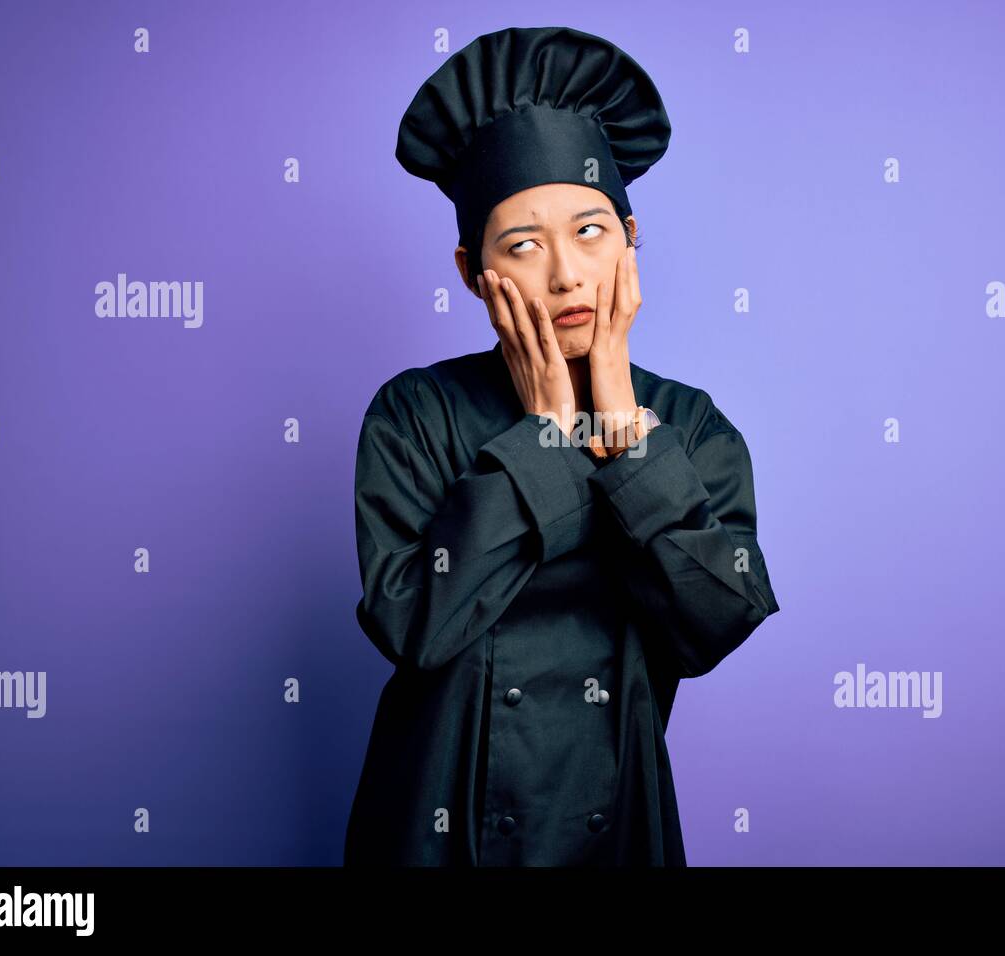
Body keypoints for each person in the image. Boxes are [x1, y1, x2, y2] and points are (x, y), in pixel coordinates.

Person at [343, 25, 780, 866]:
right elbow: (413, 627)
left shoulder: (688, 425)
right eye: (523, 245)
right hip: (431, 830)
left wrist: (621, 428)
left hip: (615, 824)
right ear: (473, 271)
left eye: (589, 231)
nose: (567, 275)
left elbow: (714, 624)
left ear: (631, 238)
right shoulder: (413, 413)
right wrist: (544, 435)